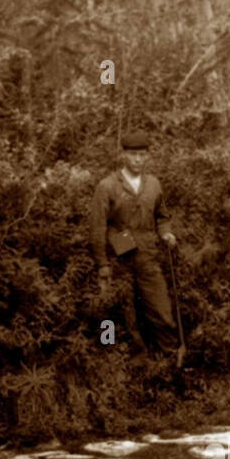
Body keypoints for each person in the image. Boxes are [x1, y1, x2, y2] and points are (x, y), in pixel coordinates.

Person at [89, 131, 179, 354]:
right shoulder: (107, 186)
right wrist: (103, 264)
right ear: (123, 155)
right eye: (133, 155)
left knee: (162, 311)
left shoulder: (154, 184)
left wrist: (166, 233)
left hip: (148, 258)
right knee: (118, 314)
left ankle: (170, 359)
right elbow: (97, 228)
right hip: (119, 259)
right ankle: (118, 363)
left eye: (142, 155)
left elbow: (162, 216)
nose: (138, 160)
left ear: (147, 156)